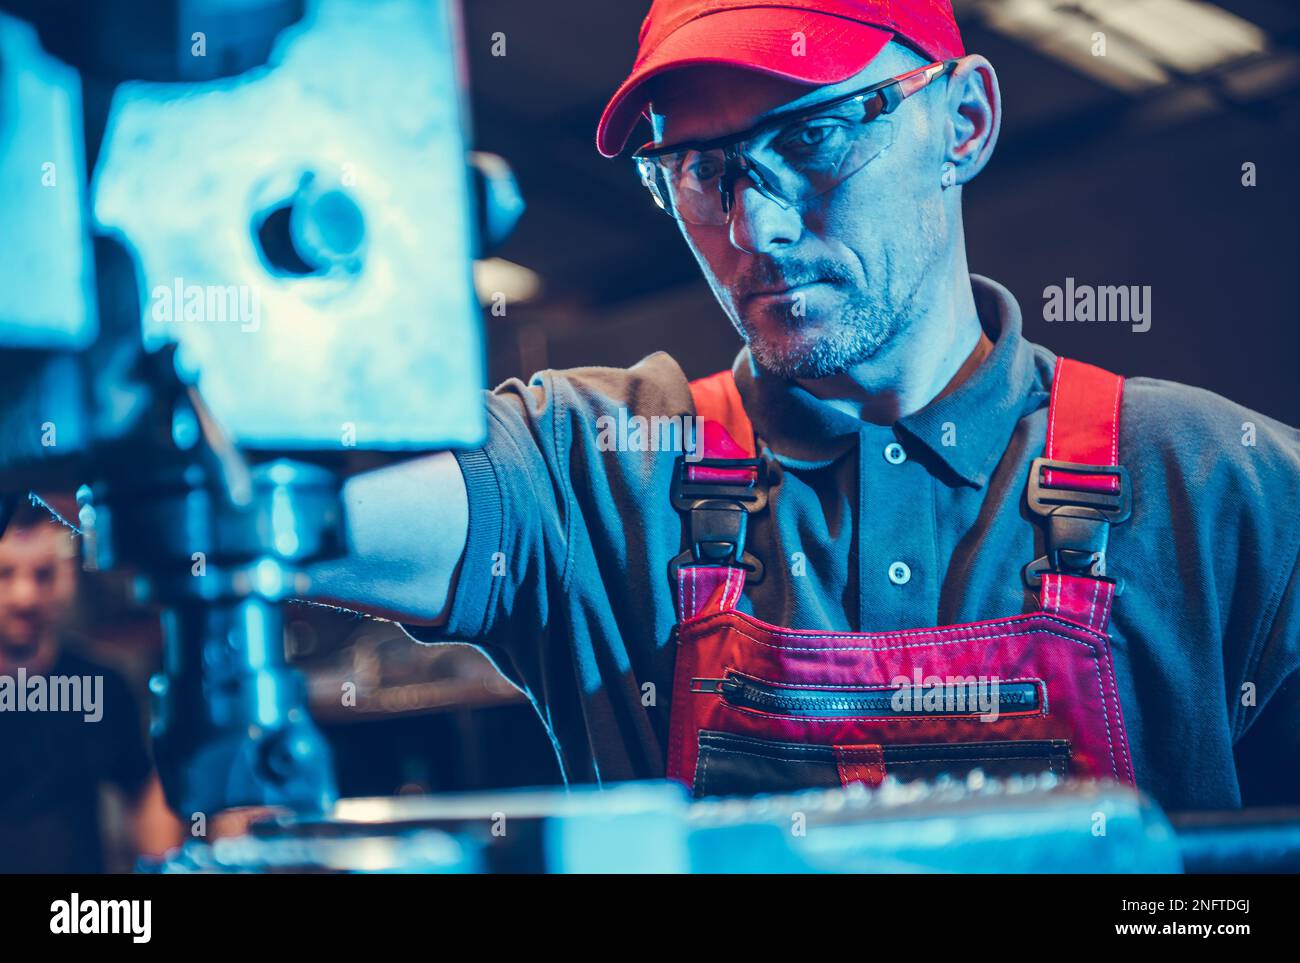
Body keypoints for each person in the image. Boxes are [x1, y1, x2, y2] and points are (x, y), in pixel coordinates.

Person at [306, 0, 1300, 809]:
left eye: (816, 133)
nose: (758, 228)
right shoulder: (594, 469)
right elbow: (279, 506)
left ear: (962, 121)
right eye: (702, 170)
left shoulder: (1221, 484)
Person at [0, 501, 180, 872]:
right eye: (5, 574)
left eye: (43, 575)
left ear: (65, 579)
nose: (25, 597)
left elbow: (146, 798)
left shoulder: (101, 686)